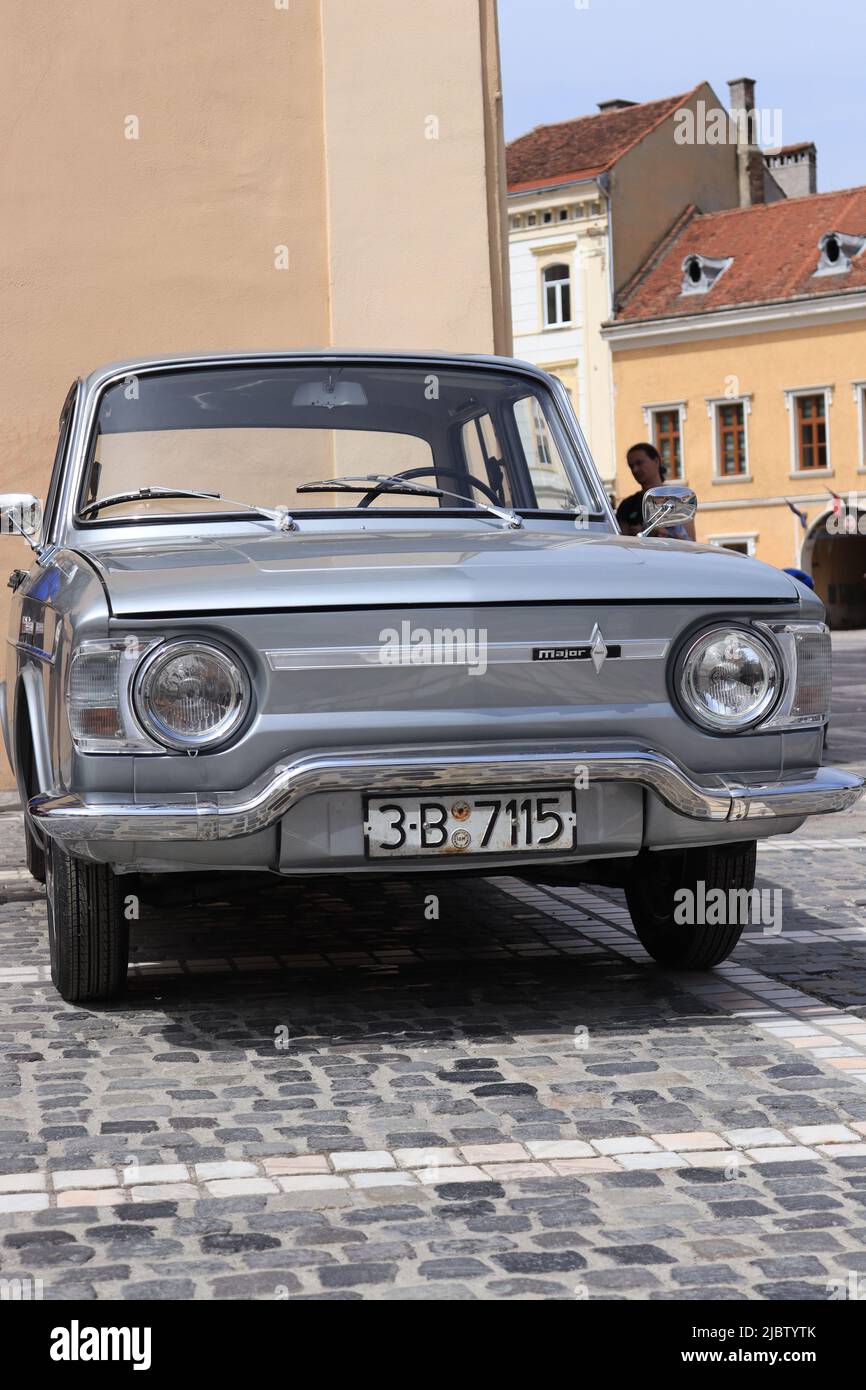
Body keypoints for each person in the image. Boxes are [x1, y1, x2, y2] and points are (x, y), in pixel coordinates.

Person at [615, 441, 696, 540]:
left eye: (639, 463)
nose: (635, 470)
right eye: (631, 466)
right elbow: (622, 540)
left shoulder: (679, 498)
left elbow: (690, 541)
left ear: (656, 461)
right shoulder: (627, 505)